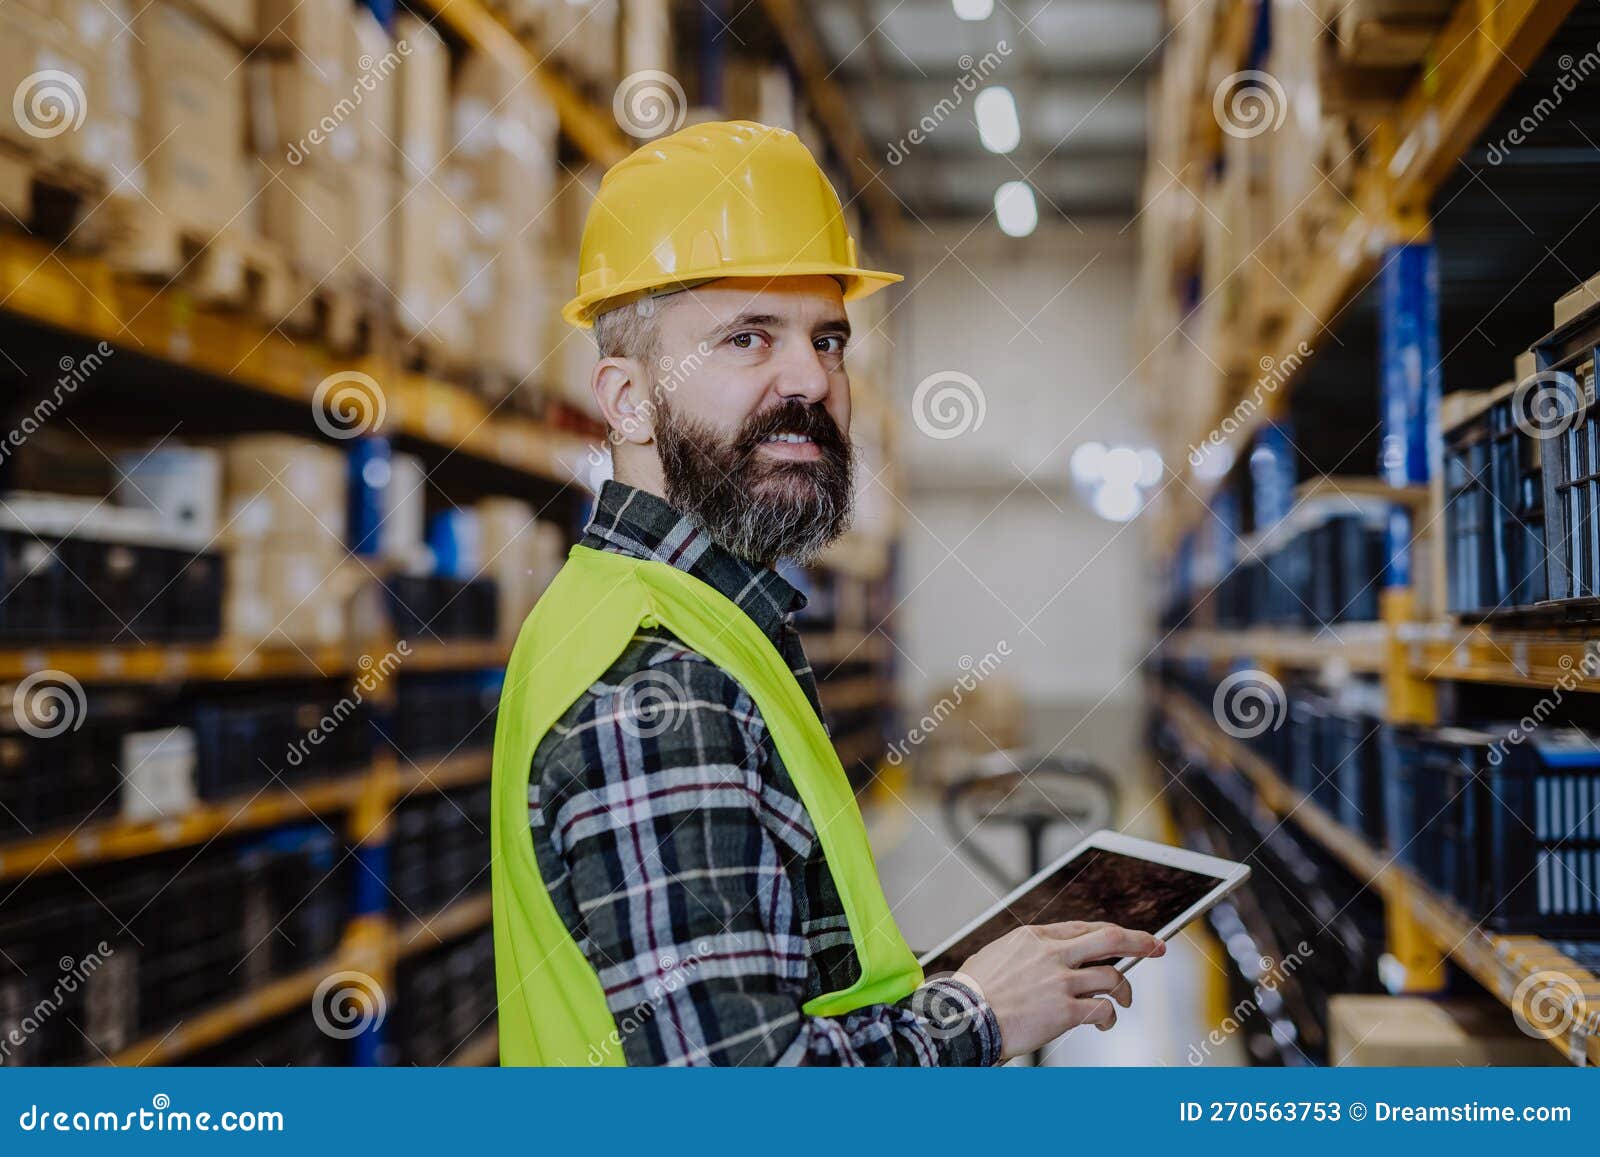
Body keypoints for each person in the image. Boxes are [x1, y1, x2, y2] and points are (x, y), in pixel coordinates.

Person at [488, 120, 1164, 1066]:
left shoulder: (694, 621)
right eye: (747, 337)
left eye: (829, 338)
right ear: (628, 399)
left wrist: (957, 983)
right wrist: (980, 1012)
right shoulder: (659, 686)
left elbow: (772, 995)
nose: (811, 377)